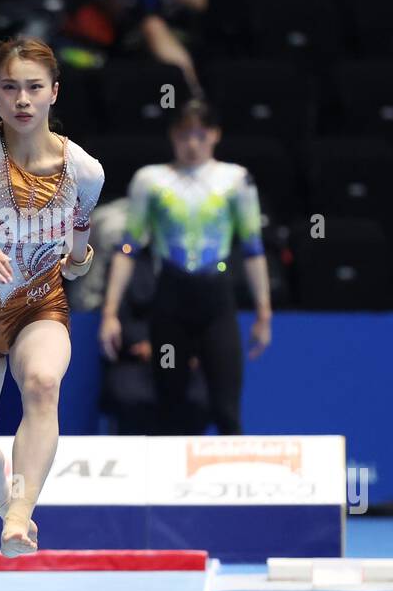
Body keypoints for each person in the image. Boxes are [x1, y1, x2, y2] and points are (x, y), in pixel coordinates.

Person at [0, 36, 104, 556]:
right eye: (9, 87)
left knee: (41, 383)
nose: (22, 100)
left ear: (54, 92)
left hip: (40, 303)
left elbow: (79, 249)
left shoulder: (86, 172)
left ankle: (19, 513)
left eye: (34, 88)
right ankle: (4, 503)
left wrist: (80, 261)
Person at [98, 100, 272, 436]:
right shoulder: (151, 180)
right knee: (171, 407)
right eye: (184, 135)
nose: (193, 144)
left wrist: (264, 312)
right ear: (172, 136)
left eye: (201, 135)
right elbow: (128, 249)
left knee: (226, 410)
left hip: (216, 303)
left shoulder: (236, 180)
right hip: (171, 303)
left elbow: (253, 248)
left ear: (216, 135)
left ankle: (231, 484)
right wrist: (109, 313)